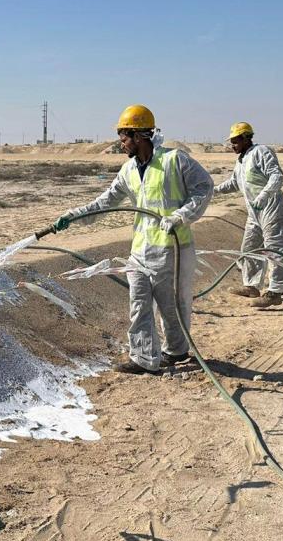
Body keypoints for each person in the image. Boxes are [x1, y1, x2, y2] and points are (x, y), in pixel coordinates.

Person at [49, 104, 213, 375]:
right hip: (140, 250)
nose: (121, 143)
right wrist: (73, 216)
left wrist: (181, 216)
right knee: (138, 304)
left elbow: (204, 187)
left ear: (138, 136)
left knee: (171, 306)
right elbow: (106, 202)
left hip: (172, 249)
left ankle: (177, 351)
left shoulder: (175, 160)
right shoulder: (127, 171)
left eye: (124, 137)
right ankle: (143, 358)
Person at [212, 122, 283, 308]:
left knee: (274, 248)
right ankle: (252, 286)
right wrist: (212, 191)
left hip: (271, 207)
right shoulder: (241, 160)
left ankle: (275, 292)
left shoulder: (262, 152)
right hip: (254, 211)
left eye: (236, 141)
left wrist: (264, 196)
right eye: (231, 142)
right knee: (249, 248)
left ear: (246, 138)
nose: (233, 145)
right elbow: (233, 183)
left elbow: (276, 176)